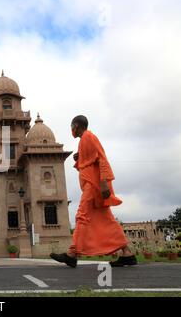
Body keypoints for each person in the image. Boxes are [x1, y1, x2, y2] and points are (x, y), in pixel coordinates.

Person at [50, 115, 137, 268]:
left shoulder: (88, 137)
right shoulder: (84, 141)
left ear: (76, 125)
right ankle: (127, 253)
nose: (71, 129)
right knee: (106, 219)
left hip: (94, 185)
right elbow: (89, 162)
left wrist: (104, 183)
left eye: (72, 126)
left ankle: (72, 253)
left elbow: (102, 159)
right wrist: (79, 156)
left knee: (81, 215)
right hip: (92, 184)